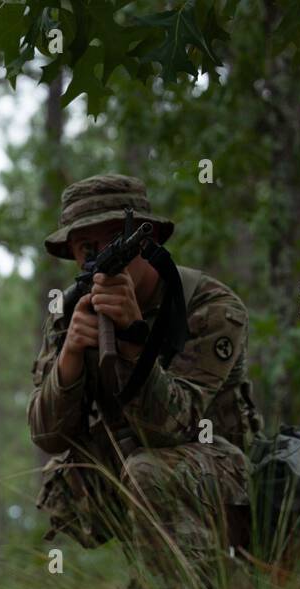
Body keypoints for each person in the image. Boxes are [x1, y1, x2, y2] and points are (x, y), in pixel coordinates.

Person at [29, 174, 263, 568]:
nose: (100, 257)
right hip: (141, 473)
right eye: (87, 247)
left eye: (112, 242)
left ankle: (207, 587)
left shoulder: (207, 306)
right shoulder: (71, 311)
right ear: (72, 252)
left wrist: (136, 340)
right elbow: (47, 435)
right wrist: (70, 357)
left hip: (226, 483)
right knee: (78, 473)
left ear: (147, 239)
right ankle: (159, 579)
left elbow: (172, 428)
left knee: (148, 469)